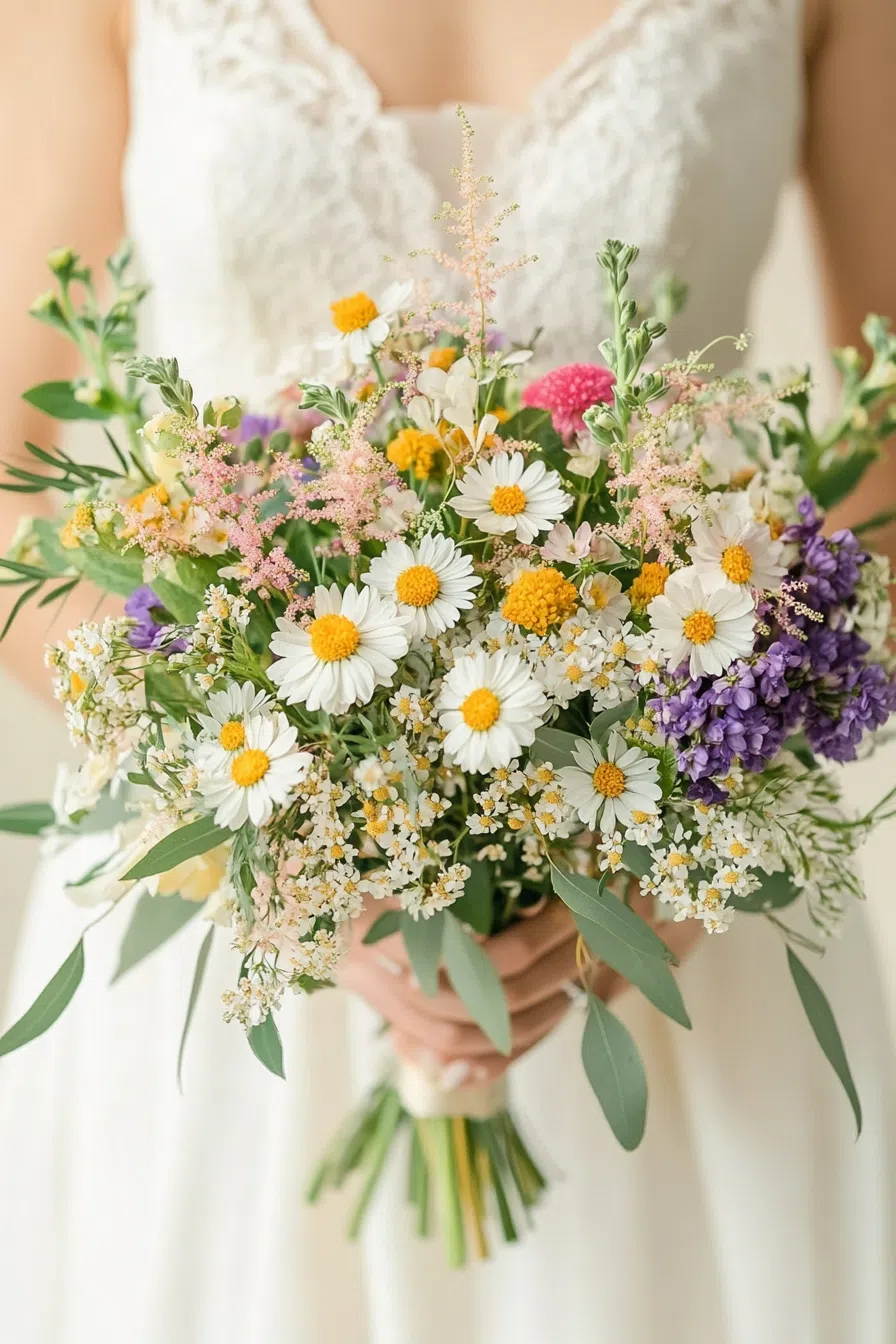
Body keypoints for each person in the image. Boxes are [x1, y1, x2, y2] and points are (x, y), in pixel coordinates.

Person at [2, 1, 896, 1340]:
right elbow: (12, 484)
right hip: (235, 891)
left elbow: (884, 456)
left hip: (678, 884)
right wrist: (283, 839)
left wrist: (685, 854)